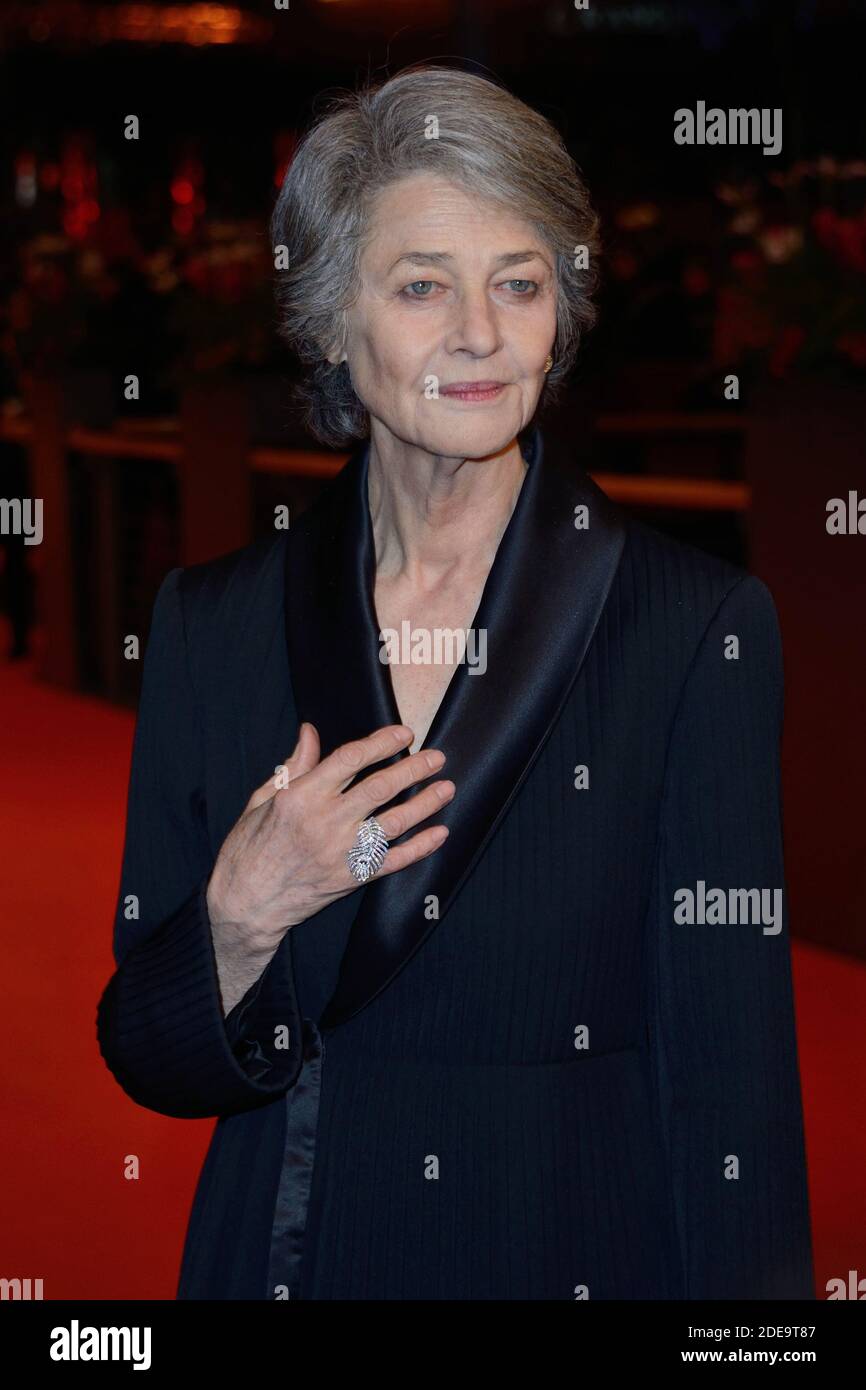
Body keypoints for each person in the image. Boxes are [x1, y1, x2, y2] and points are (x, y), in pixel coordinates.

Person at [97, 64, 814, 1300]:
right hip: (292, 1246)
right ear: (329, 321)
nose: (478, 334)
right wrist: (239, 916)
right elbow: (149, 1058)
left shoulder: (690, 630)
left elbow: (729, 1083)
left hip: (562, 1251)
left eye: (518, 284)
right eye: (422, 286)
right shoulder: (210, 623)